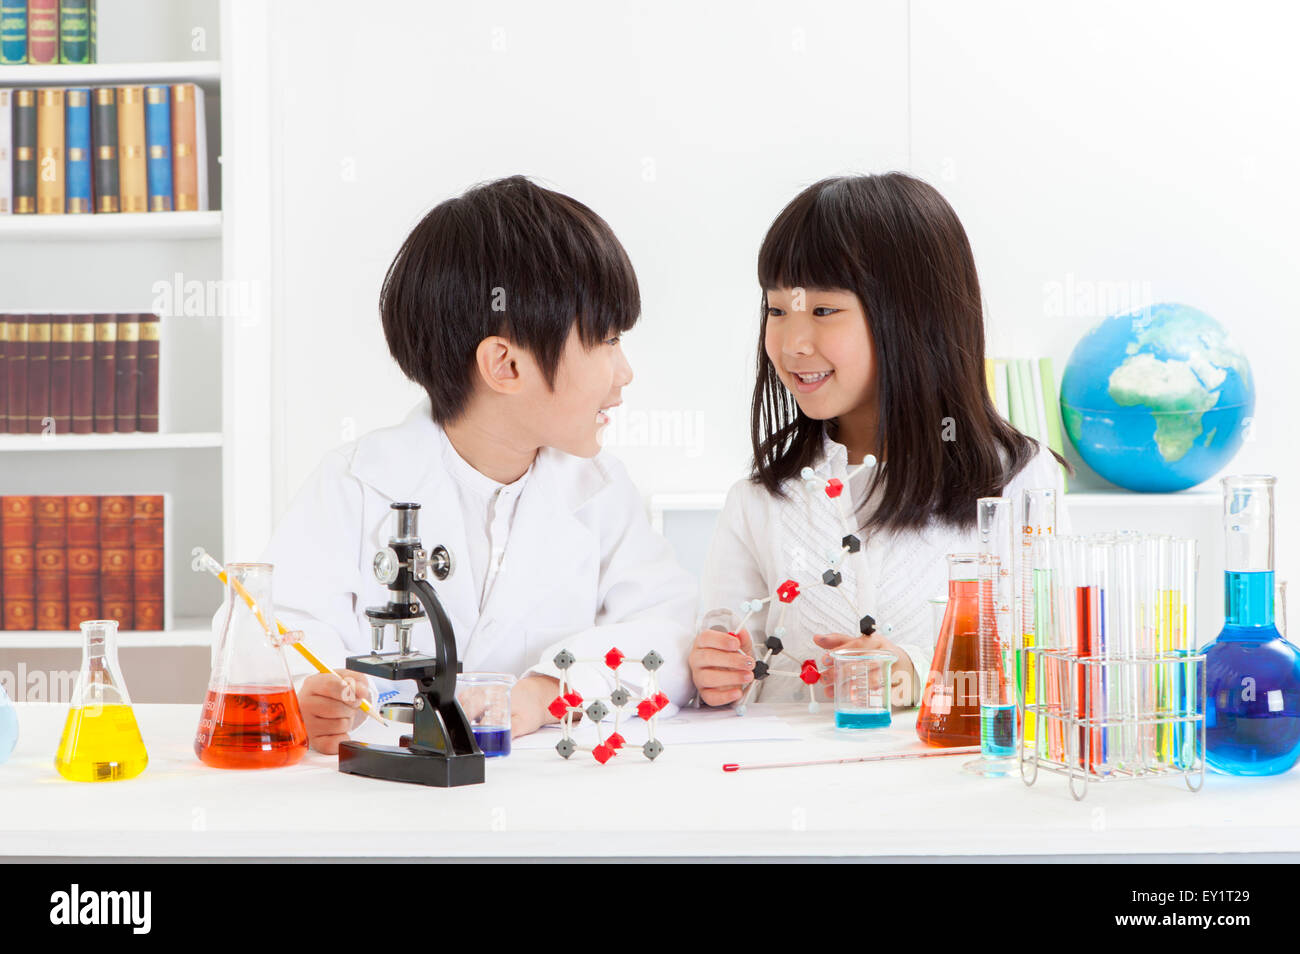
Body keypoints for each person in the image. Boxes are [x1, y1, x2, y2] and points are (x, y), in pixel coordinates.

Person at [264, 176, 697, 753]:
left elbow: (667, 637)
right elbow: (275, 629)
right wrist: (306, 693)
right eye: (607, 341)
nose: (625, 372)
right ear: (506, 366)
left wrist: (546, 691)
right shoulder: (353, 485)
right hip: (387, 808)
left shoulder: (600, 491)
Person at [690, 173, 1071, 708]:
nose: (792, 343)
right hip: (792, 782)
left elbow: (1053, 663)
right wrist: (713, 677)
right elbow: (734, 671)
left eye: (823, 310)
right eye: (776, 310)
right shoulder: (758, 499)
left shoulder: (1017, 480)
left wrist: (919, 672)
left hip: (946, 786)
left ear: (913, 318)